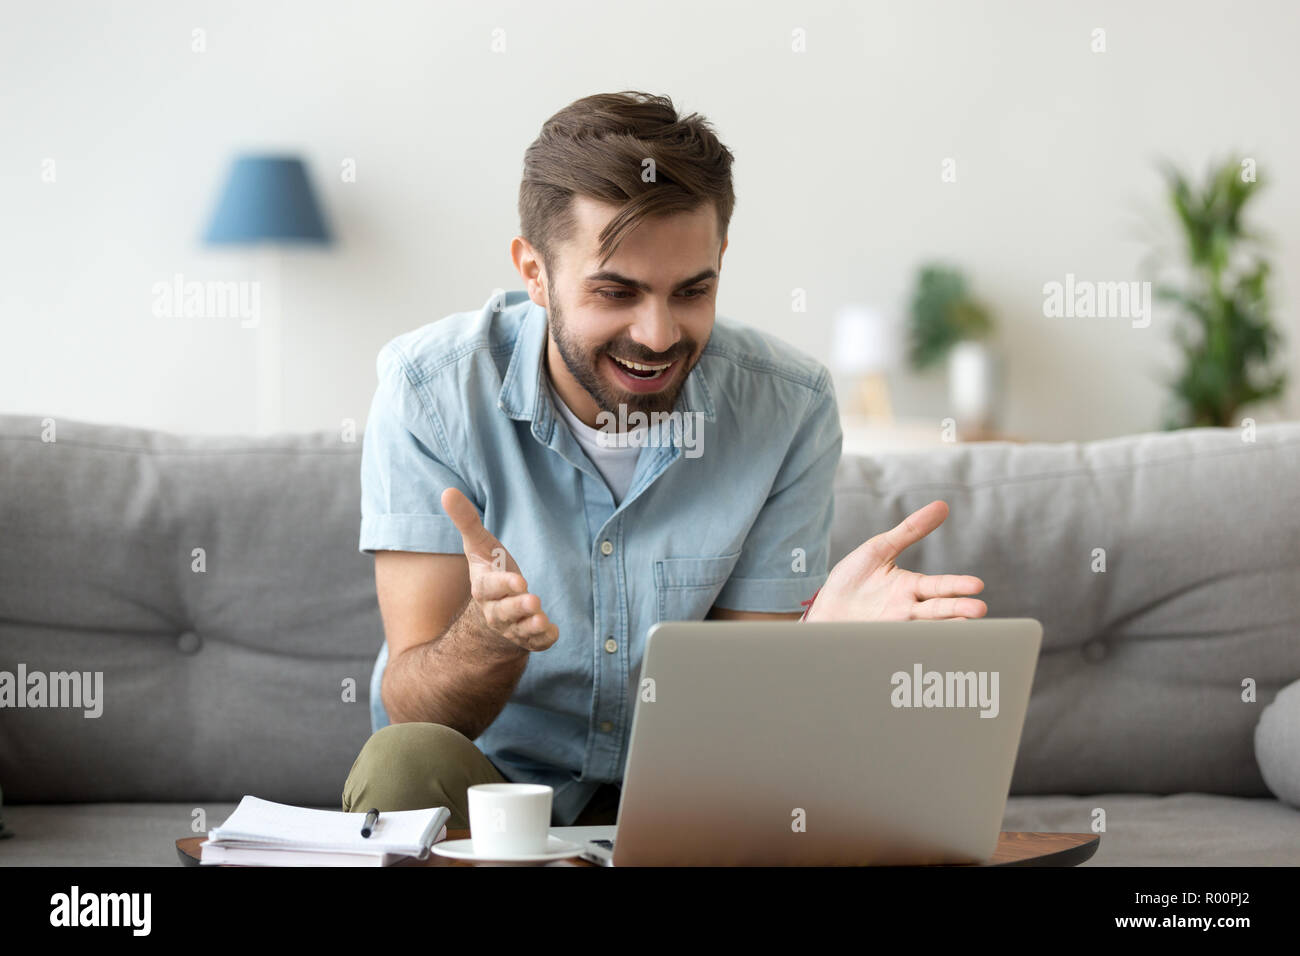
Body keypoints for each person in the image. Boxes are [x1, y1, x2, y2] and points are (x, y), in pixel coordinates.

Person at [341, 91, 986, 830]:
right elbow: (413, 708)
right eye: (616, 292)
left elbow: (755, 716)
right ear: (535, 272)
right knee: (401, 765)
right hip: (500, 795)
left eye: (693, 291)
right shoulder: (432, 391)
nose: (657, 335)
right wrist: (488, 637)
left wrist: (820, 653)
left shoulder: (788, 405)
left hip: (695, 789)